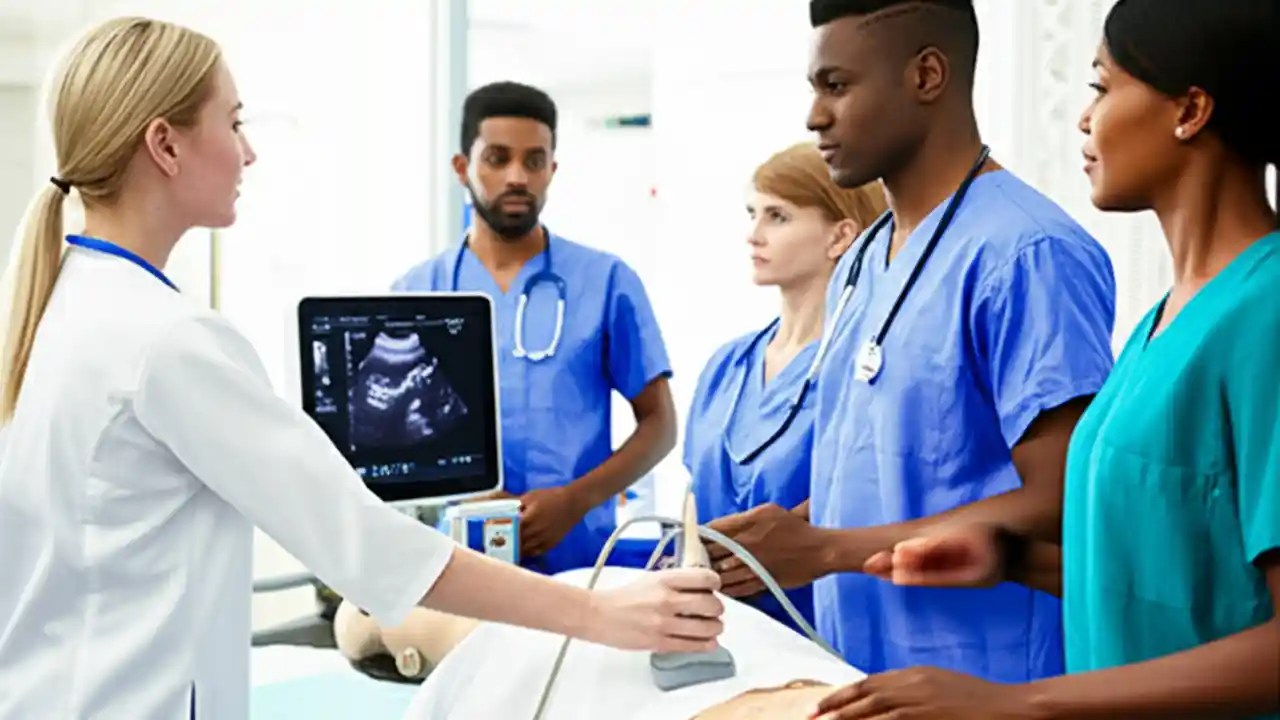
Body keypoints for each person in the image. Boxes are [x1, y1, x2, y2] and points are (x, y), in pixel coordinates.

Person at [0, 18, 722, 719]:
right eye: (234, 122)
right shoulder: (170, 339)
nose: (247, 153)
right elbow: (364, 545)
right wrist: (601, 614)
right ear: (165, 144)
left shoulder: (63, 306)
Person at [812, 1, 1280, 717]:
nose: (1084, 119)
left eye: (1101, 86)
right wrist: (1007, 560)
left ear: (1189, 110)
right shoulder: (1162, 325)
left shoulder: (1265, 313)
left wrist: (1020, 702)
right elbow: (1178, 579)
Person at [706, 0, 1117, 685]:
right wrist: (792, 531)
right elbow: (909, 477)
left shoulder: (1026, 253)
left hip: (987, 682)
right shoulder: (864, 261)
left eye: (836, 86)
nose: (814, 117)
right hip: (862, 676)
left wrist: (829, 548)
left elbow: (1061, 496)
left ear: (927, 75)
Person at [392, 81, 676, 575]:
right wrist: (465, 491)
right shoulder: (417, 292)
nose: (517, 177)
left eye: (534, 160)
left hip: (580, 566)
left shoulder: (606, 282)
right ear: (463, 168)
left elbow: (661, 426)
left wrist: (575, 500)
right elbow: (394, 435)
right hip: (454, 565)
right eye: (497, 159)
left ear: (552, 169)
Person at [683, 142, 886, 632]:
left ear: (840, 235)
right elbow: (693, 490)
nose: (753, 234)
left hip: (822, 635)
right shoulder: (727, 364)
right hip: (716, 630)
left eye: (778, 216)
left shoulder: (868, 369)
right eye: (753, 213)